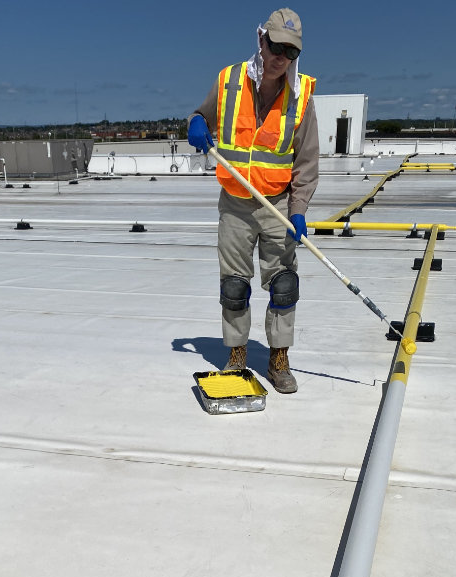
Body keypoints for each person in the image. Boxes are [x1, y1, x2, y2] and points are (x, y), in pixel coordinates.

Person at [187, 7, 319, 394]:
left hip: (277, 204)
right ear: (261, 40)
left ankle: (279, 358)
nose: (281, 57)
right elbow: (201, 115)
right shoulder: (229, 81)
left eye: (290, 52)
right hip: (235, 204)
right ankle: (237, 354)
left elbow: (307, 161)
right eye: (276, 47)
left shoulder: (301, 96)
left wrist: (298, 211)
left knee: (283, 284)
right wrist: (196, 121)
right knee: (234, 286)